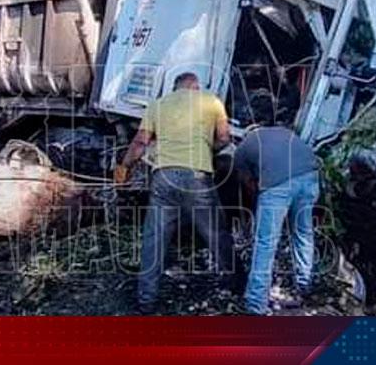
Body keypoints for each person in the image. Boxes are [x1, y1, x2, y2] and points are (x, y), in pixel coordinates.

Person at [115, 72, 237, 314]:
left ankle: (146, 300)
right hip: (197, 176)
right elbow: (224, 139)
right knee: (216, 233)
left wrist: (124, 167)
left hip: (164, 177)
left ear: (175, 87)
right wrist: (206, 148)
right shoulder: (212, 101)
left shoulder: (157, 105)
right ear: (196, 86)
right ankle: (235, 284)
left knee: (154, 239)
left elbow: (140, 143)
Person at [233, 94, 321, 315]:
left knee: (266, 243)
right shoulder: (285, 132)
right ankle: (304, 284)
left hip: (278, 185)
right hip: (311, 177)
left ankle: (256, 303)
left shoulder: (244, 146)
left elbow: (249, 185)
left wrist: (256, 209)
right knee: (303, 232)